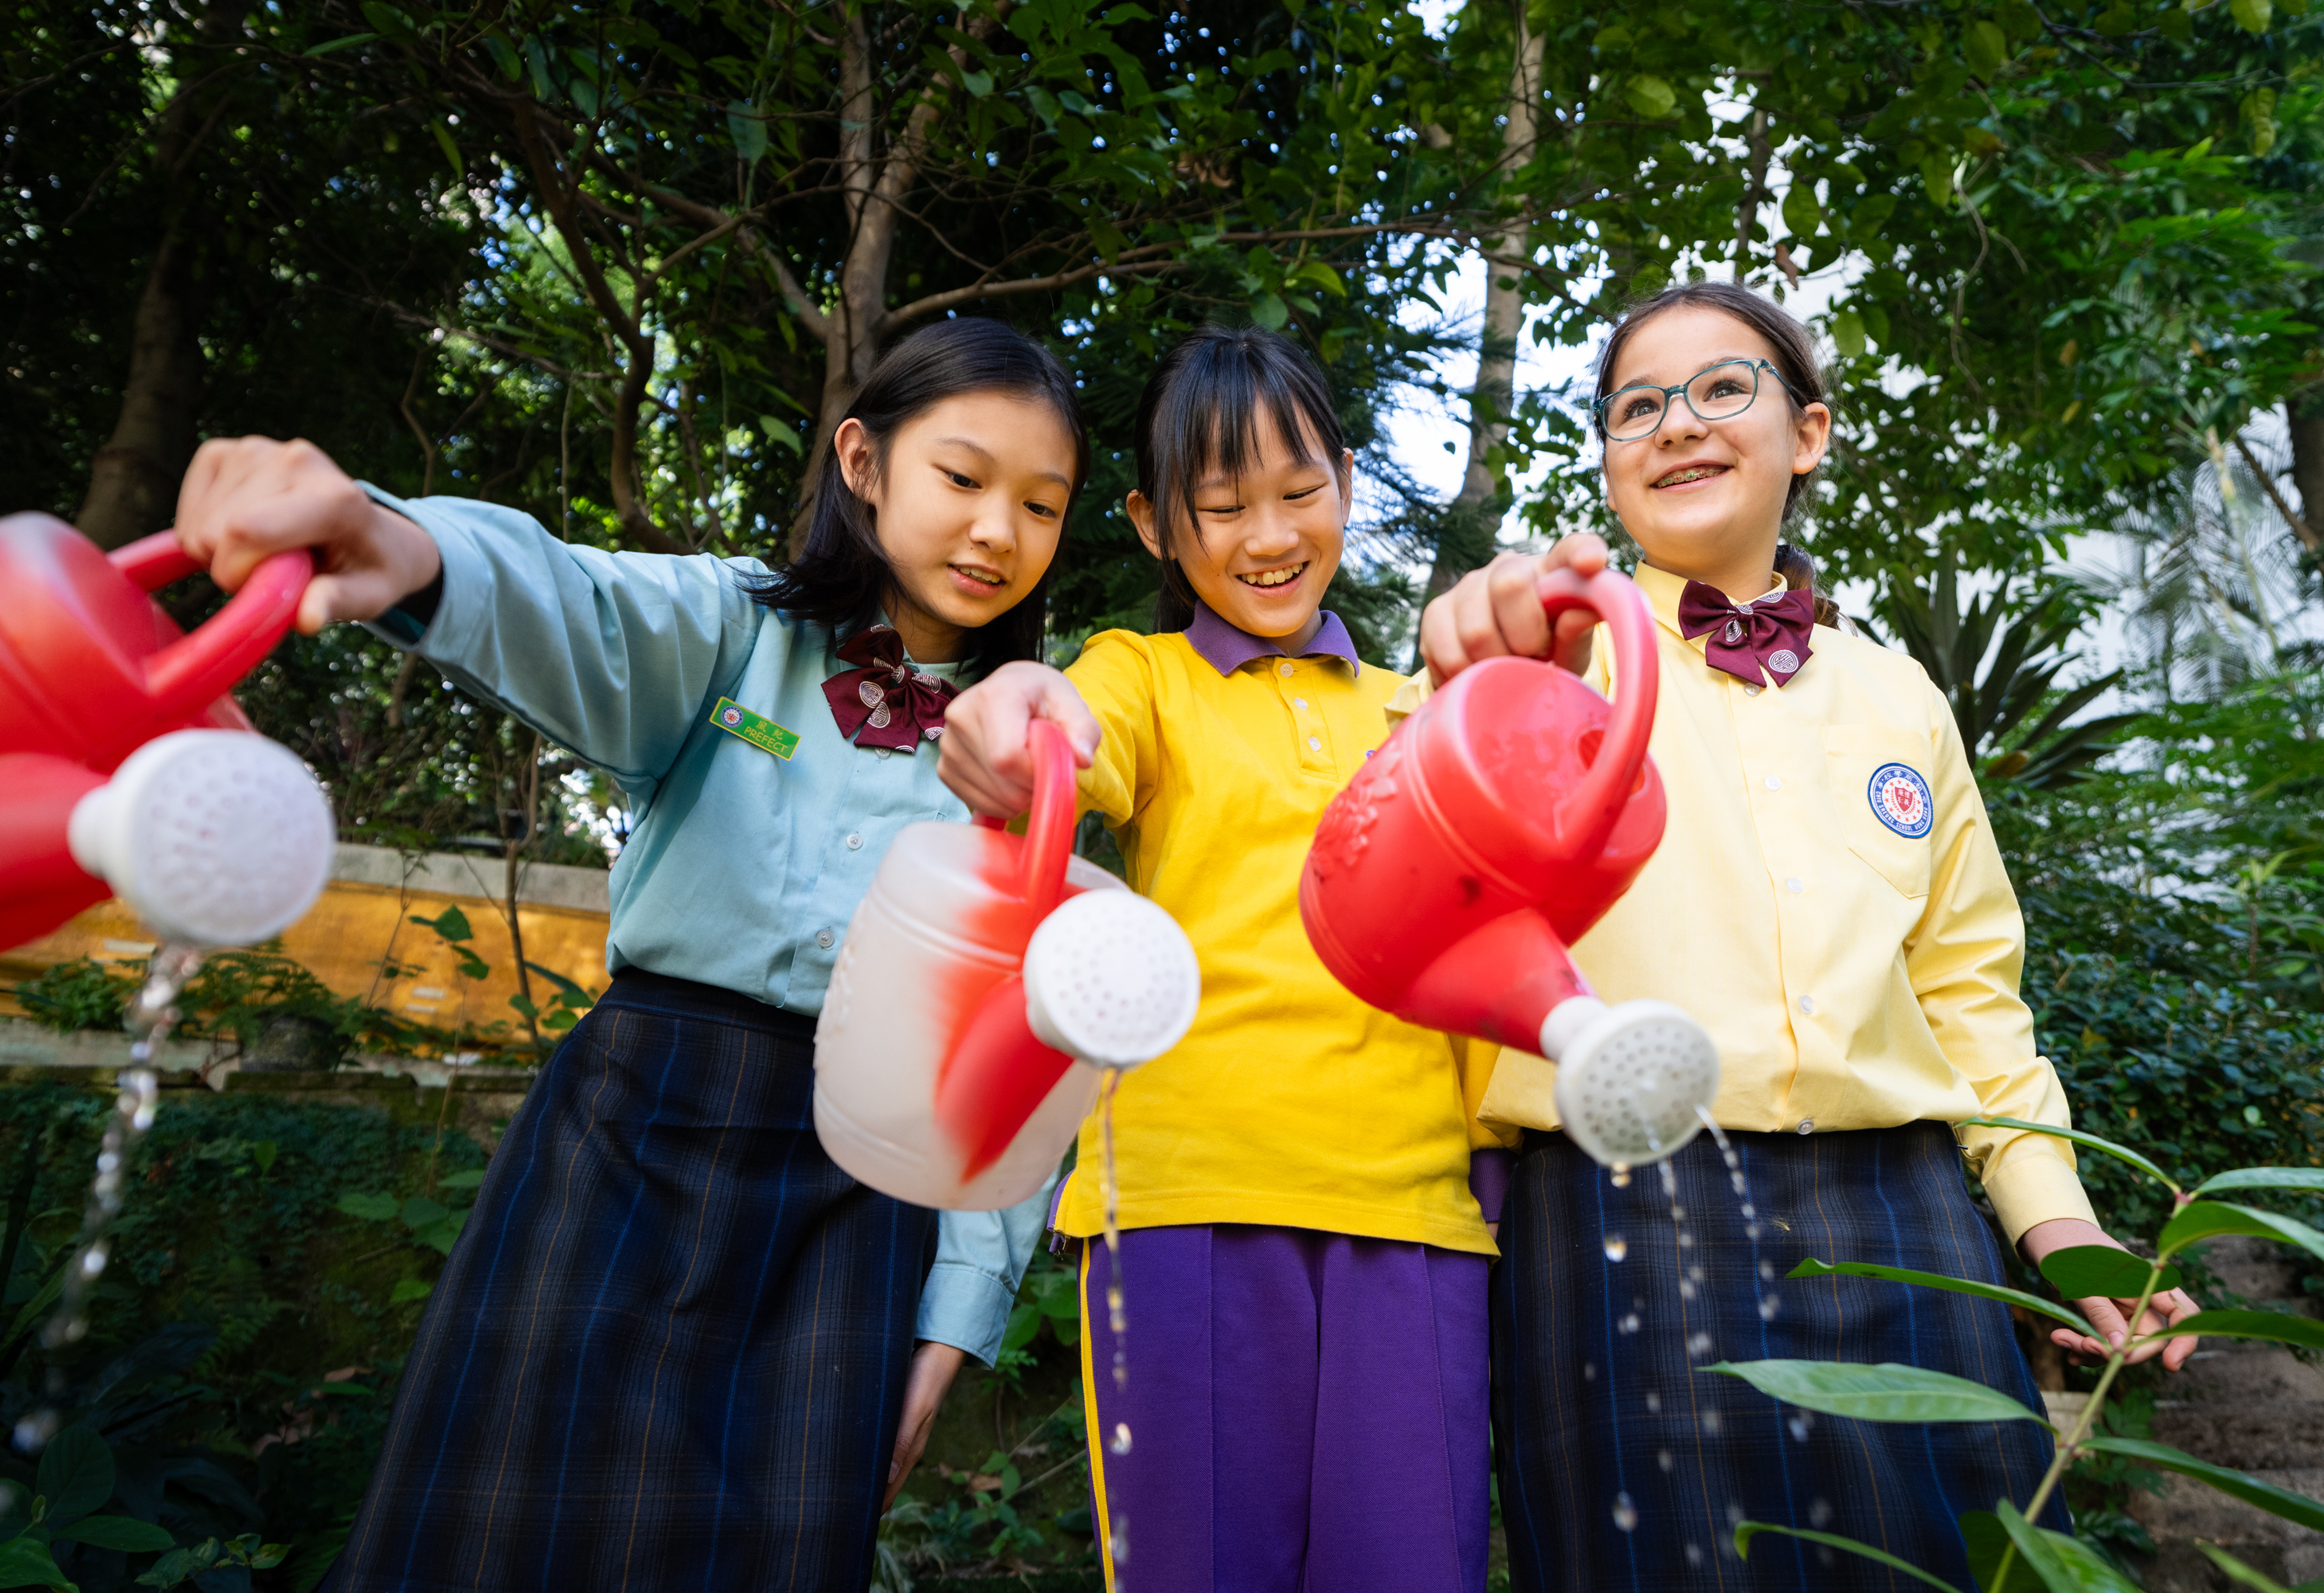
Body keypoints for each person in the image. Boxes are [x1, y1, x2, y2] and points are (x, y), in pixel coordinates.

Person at [166, 318, 1080, 1592]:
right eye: (964, 477)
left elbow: (1025, 1058)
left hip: (862, 1200)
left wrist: (956, 1318)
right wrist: (401, 542)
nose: (997, 532)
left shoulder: (1049, 760)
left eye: (1041, 506)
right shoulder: (731, 628)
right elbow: (574, 603)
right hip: (630, 1139)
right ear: (863, 463)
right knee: (497, 1538)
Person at [1415, 278, 2202, 1591]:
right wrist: (1480, 688)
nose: (1678, 423)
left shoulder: (1904, 701)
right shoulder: (1539, 663)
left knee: (1965, 1564)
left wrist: (2064, 1233)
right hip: (1621, 1209)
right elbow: (1412, 893)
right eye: (1636, 407)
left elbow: (1971, 1003)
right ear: (1608, 462)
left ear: (1811, 432)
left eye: (1723, 388)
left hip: (1907, 1210)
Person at [938, 326, 1536, 1593]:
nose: (1269, 536)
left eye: (1300, 491)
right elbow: (1072, 732)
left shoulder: (1419, 708)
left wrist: (1491, 1170)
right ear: (1157, 526)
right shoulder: (1143, 676)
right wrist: (1021, 717)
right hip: (1185, 1210)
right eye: (1222, 507)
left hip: (1415, 1215)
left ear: (1348, 485)